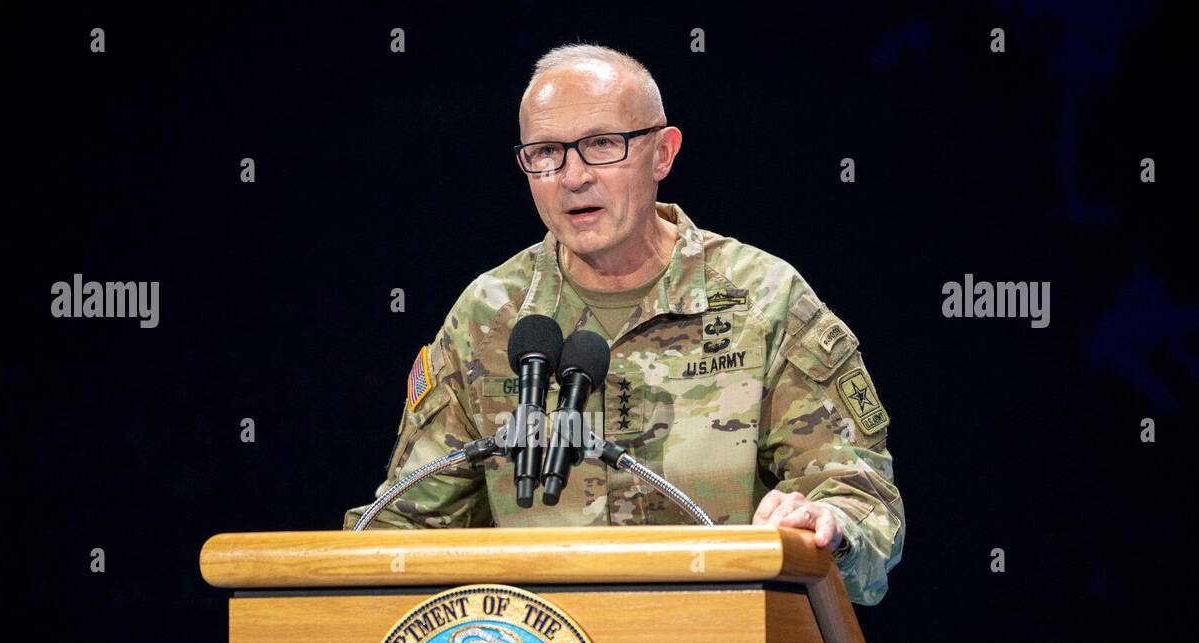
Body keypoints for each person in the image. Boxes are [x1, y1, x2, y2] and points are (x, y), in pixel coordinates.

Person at [344, 43, 905, 606]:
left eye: (603, 145)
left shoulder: (764, 301)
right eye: (545, 153)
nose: (573, 177)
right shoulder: (488, 317)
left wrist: (825, 523)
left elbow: (866, 510)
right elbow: (401, 530)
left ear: (663, 153)